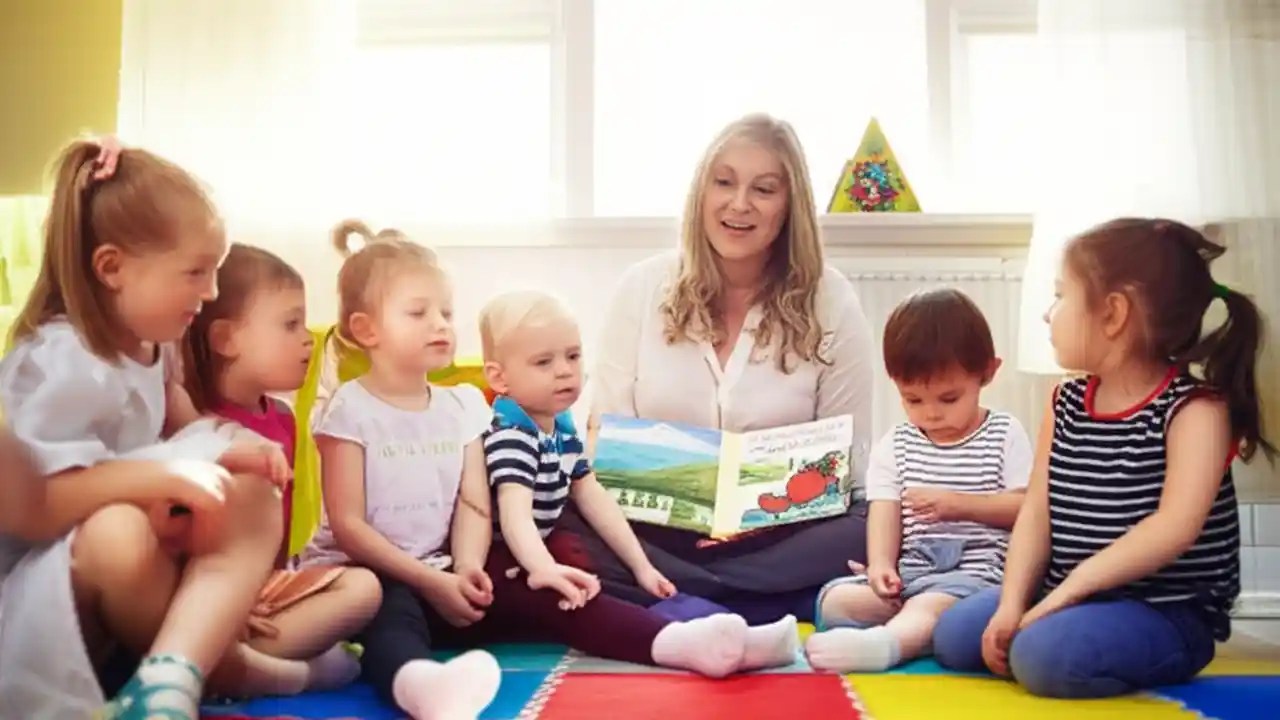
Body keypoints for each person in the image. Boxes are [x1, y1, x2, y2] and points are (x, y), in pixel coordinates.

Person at [0, 140, 290, 719]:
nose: (209, 293)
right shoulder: (58, 361)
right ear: (111, 268)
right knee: (118, 533)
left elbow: (176, 418)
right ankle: (243, 669)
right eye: (195, 273)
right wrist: (163, 476)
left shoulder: (152, 345)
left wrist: (230, 443)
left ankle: (173, 673)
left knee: (251, 490)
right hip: (39, 598)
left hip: (128, 559)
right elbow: (34, 508)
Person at [932, 218, 1270, 698]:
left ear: (1112, 314)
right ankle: (1056, 627)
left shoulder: (1196, 409)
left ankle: (1106, 646)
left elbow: (1174, 526)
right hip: (1066, 594)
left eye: (1060, 296)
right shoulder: (1065, 401)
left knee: (1041, 657)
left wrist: (1067, 594)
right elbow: (1037, 511)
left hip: (1163, 609)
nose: (1048, 315)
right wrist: (1012, 603)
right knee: (953, 636)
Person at [580, 113, 877, 620]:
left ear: (790, 206)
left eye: (764, 189)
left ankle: (685, 597)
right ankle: (769, 602)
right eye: (724, 183)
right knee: (571, 524)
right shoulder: (642, 287)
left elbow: (847, 458)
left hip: (783, 530)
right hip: (658, 529)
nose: (739, 205)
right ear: (701, 191)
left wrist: (761, 493)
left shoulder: (831, 298)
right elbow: (602, 437)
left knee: (869, 527)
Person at [479, 289, 801, 676]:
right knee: (580, 600)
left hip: (537, 550)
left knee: (626, 579)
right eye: (543, 362)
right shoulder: (511, 435)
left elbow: (593, 496)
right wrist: (544, 568)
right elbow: (515, 518)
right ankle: (681, 643)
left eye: (573, 356)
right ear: (499, 378)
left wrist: (641, 566)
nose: (565, 370)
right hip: (503, 566)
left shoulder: (558, 427)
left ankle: (717, 626)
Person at [302, 224, 504, 720]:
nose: (440, 324)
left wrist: (466, 568)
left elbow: (474, 503)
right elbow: (349, 528)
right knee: (390, 610)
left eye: (446, 313)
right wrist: (432, 584)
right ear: (367, 330)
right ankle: (423, 689)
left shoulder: (462, 405)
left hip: (436, 566)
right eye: (418, 313)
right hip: (362, 572)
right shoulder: (350, 411)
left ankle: (665, 639)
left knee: (525, 587)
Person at [182, 242, 383, 695]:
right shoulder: (197, 425)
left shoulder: (283, 418)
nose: (308, 338)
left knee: (364, 588)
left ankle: (235, 664)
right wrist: (228, 599)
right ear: (227, 338)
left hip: (265, 585)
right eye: (290, 324)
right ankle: (230, 666)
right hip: (201, 590)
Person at [805, 289, 1029, 673]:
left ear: (988, 373)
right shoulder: (897, 443)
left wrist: (960, 505)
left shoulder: (1005, 432)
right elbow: (884, 511)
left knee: (932, 605)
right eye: (913, 400)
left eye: (948, 398)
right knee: (834, 602)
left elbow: (1026, 507)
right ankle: (912, 630)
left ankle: (889, 646)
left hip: (976, 574)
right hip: (914, 571)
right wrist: (880, 566)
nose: (931, 414)